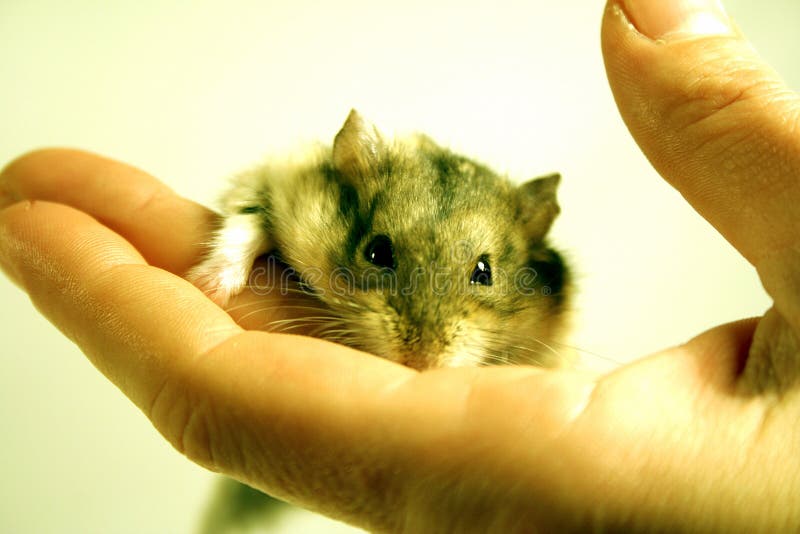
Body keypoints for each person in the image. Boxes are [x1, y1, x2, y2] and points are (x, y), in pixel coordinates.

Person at [1, 0, 798, 531]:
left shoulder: (535, 284)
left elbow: (549, 318)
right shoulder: (324, 189)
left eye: (480, 278)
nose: (425, 332)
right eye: (380, 256)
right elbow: (265, 199)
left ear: (531, 235)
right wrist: (237, 252)